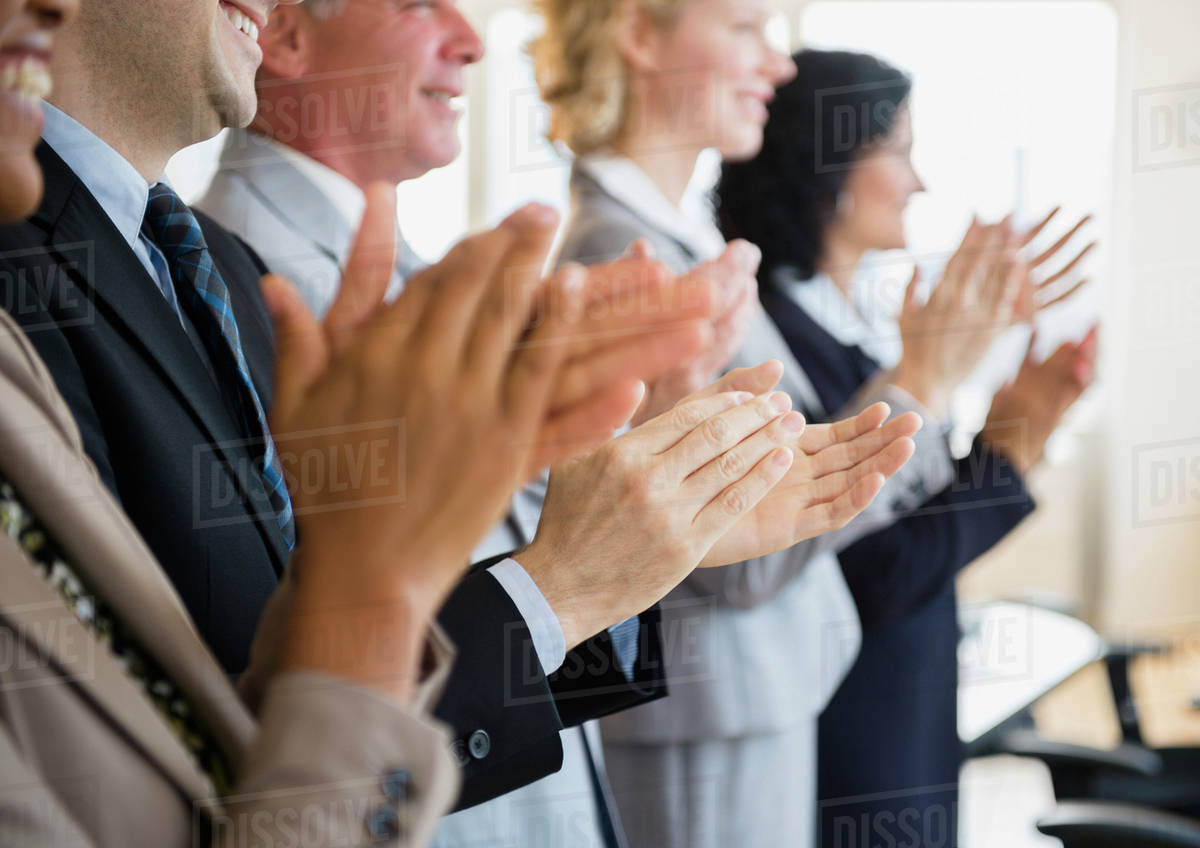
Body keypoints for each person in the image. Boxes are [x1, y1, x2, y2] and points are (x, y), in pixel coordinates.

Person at [196, 2, 923, 842]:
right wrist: (925, 381)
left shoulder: (402, 267)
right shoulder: (239, 284)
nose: (471, 40)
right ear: (282, 30)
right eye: (416, 3)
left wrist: (646, 484)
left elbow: (503, 557)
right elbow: (300, 665)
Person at [0, 0, 640, 843]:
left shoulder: (216, 261)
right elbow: (210, 722)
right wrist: (559, 590)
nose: (472, 41)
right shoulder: (31, 268)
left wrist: (637, 558)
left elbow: (266, 663)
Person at [527, 2, 980, 845]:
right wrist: (919, 384)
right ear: (639, 33)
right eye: (745, 29)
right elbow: (732, 556)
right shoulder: (621, 254)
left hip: (747, 703)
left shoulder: (677, 240)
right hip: (709, 718)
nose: (777, 65)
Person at [716, 48, 1099, 845]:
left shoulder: (847, 339)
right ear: (825, 163)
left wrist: (1011, 426)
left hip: (901, 712)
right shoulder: (768, 348)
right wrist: (1010, 451)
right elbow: (873, 572)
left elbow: (901, 520)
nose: (918, 182)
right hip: (853, 733)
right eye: (899, 149)